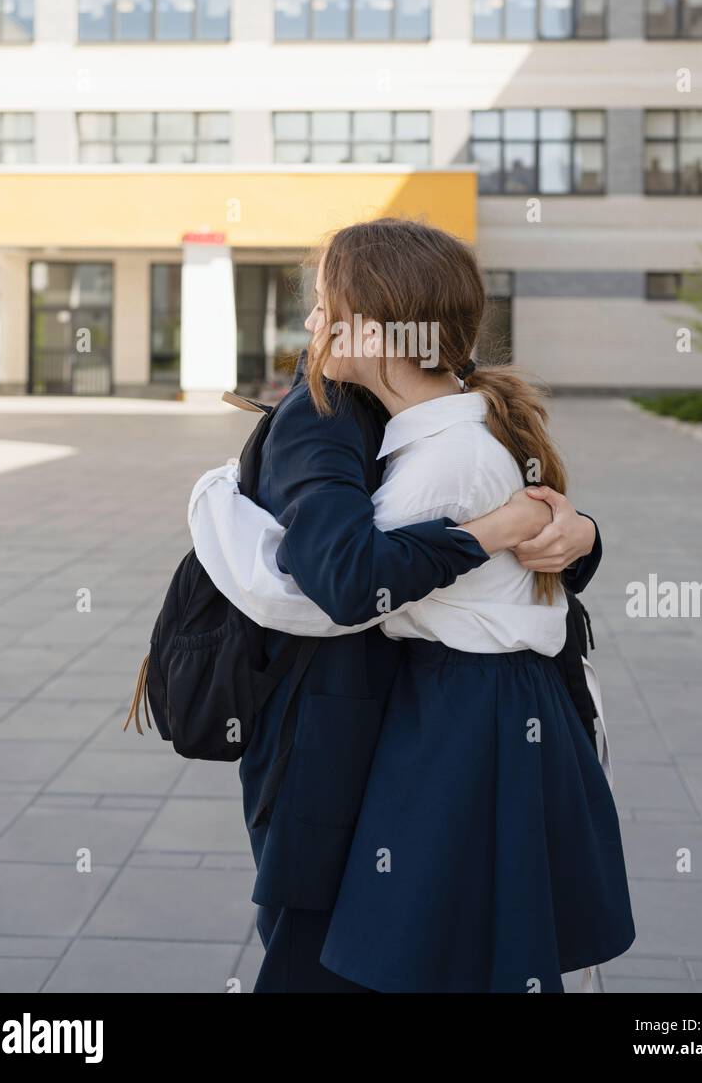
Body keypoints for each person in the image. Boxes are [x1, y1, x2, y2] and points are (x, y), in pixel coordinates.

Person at [190, 219, 627, 992]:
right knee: (446, 942)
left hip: (454, 715)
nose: (312, 325)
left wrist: (213, 503)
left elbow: (337, 585)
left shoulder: (431, 448)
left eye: (327, 307)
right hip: (448, 706)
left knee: (422, 945)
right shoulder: (441, 417)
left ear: (376, 329)